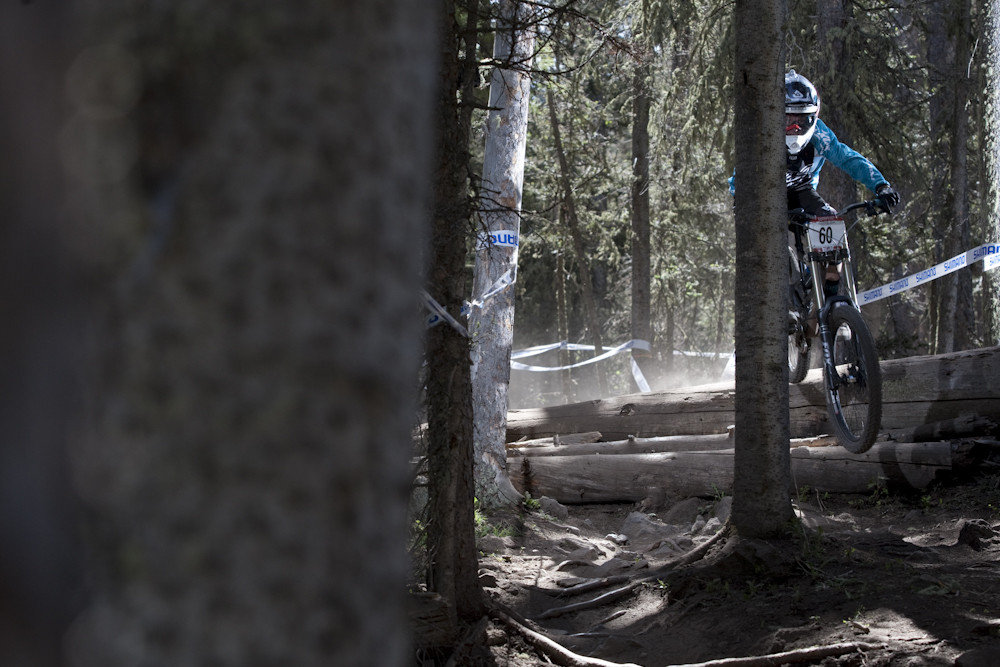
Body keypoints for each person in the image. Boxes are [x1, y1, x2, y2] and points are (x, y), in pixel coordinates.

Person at [730, 70, 901, 298]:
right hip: (765, 196)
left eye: (801, 120)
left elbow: (849, 159)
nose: (795, 128)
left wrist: (881, 186)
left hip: (802, 192)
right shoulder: (763, 134)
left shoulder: (820, 135)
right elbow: (741, 172)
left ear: (813, 117)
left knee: (833, 229)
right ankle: (779, 299)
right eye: (788, 120)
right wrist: (739, 200)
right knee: (770, 251)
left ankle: (829, 306)